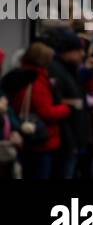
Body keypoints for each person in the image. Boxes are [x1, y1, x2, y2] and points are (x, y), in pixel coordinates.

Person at [12, 42, 72, 180]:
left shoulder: (20, 74)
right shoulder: (37, 80)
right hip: (42, 140)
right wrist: (66, 108)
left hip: (29, 138)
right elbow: (46, 112)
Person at [45, 29, 93, 179]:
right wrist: (72, 143)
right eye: (78, 50)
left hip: (74, 139)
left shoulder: (69, 70)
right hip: (67, 142)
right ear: (67, 52)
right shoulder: (57, 71)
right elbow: (60, 103)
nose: (82, 54)